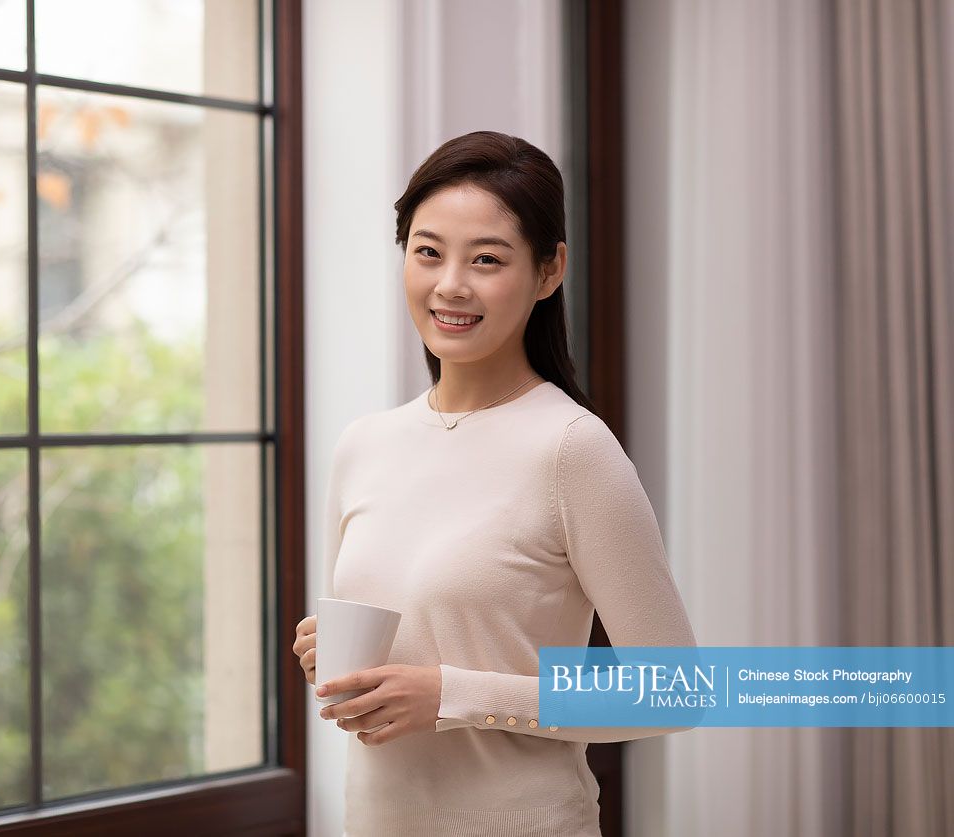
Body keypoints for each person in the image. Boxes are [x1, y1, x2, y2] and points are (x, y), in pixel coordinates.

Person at [291, 130, 699, 837]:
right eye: (427, 252)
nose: (450, 283)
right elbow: (405, 648)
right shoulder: (363, 445)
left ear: (548, 271)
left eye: (486, 259)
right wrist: (328, 655)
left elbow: (673, 691)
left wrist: (454, 693)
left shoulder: (572, 448)